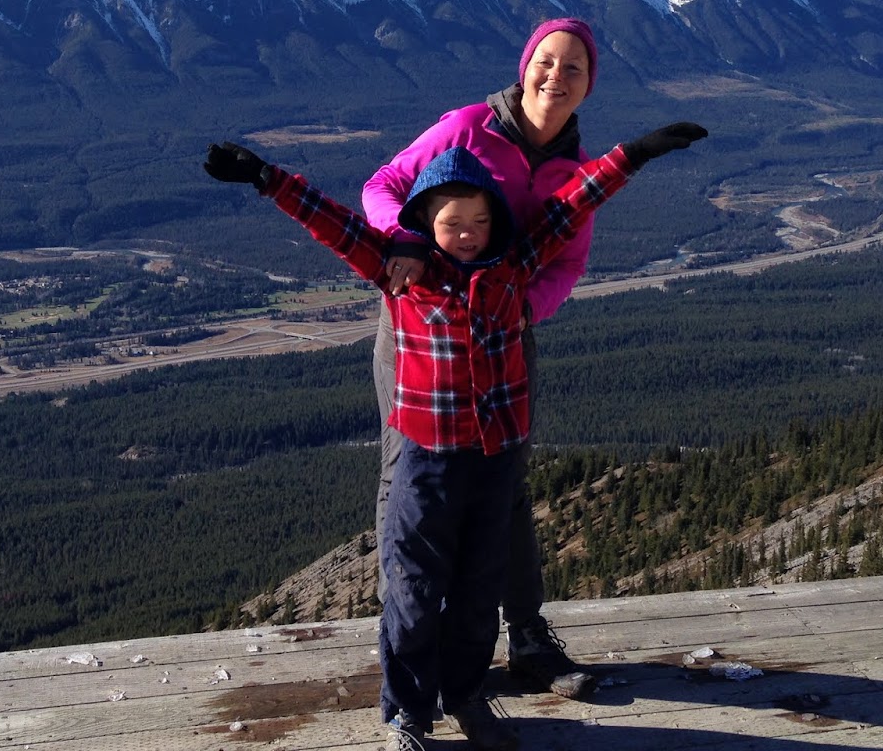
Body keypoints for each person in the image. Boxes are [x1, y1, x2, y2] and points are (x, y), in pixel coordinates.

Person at [204, 120, 706, 751]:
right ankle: (406, 712)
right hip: (427, 459)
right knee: (414, 590)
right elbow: (331, 221)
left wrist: (631, 154)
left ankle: (467, 696)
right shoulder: (401, 271)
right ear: (424, 224)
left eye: (478, 221)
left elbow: (573, 204)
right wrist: (264, 177)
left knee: (476, 590)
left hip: (494, 459)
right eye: (451, 223)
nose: (467, 235)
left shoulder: (515, 264)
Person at [361, 16, 610, 699]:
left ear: (589, 87)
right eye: (547, 62)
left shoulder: (573, 170)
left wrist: (526, 308)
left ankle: (528, 638)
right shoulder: (467, 127)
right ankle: (410, 653)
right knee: (405, 480)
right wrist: (400, 241)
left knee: (510, 486)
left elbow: (569, 262)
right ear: (525, 64)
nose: (556, 78)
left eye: (574, 69)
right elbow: (383, 184)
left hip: (504, 338)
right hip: (419, 334)